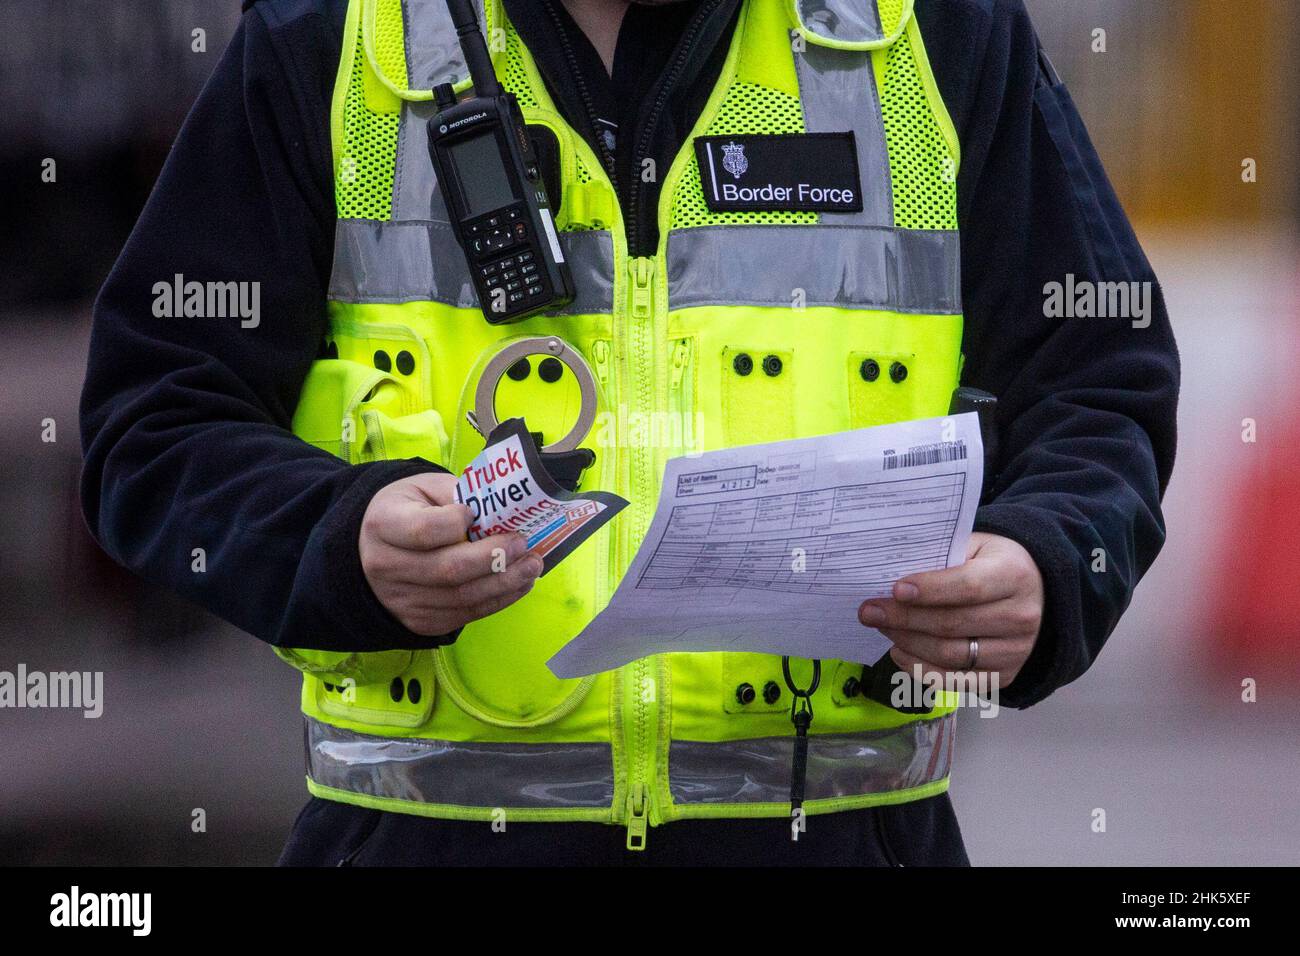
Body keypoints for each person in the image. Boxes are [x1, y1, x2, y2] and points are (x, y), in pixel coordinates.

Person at [80, 0, 1179, 866]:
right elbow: (155, 414)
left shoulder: (932, 37)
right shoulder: (332, 41)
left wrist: (1044, 558)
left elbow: (1098, 377)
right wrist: (336, 537)